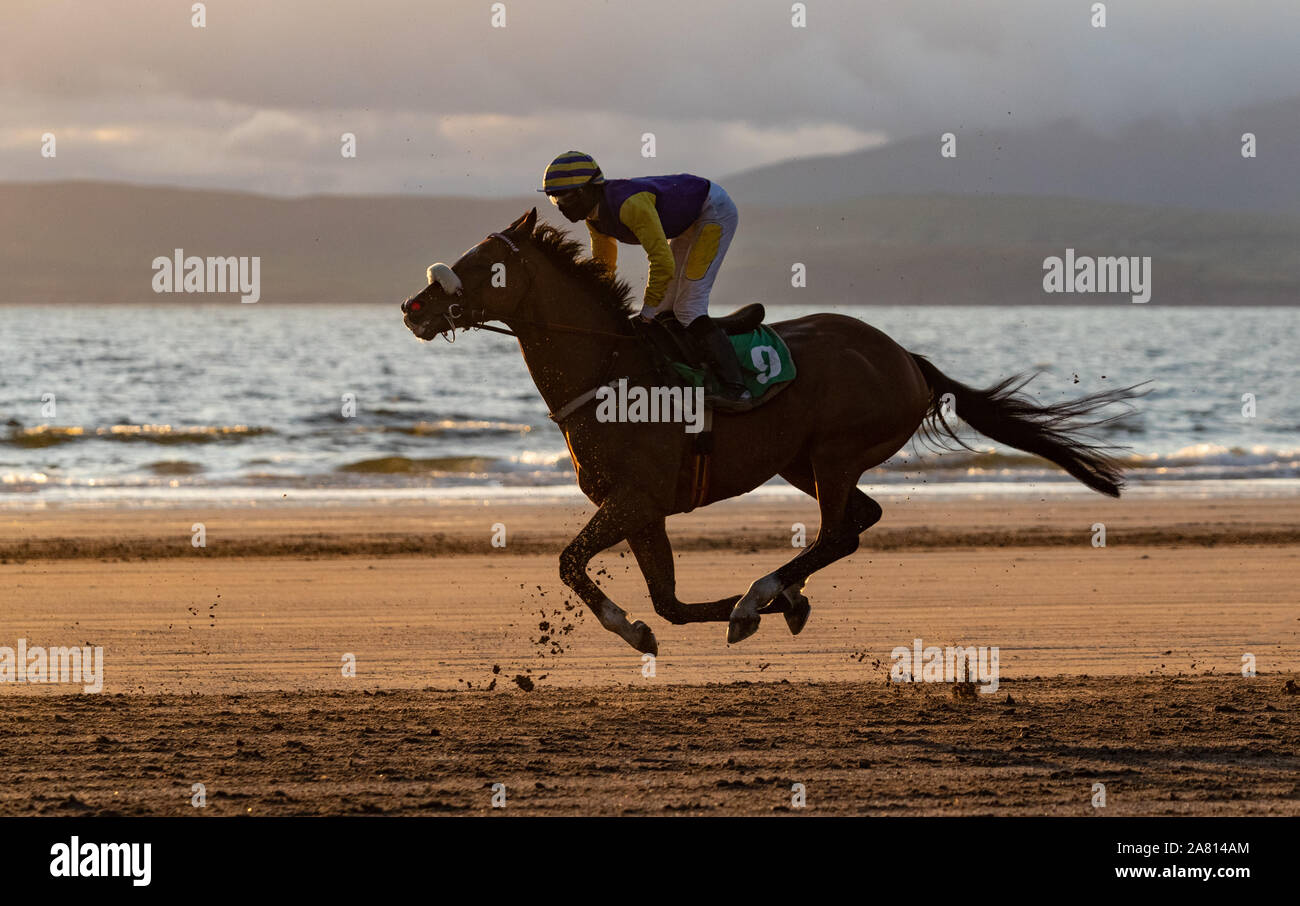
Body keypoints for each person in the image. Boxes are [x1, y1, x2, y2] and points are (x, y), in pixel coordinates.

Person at [538, 151, 751, 409]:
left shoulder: (631, 206)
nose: (559, 205)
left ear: (586, 191)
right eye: (553, 198)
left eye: (563, 196)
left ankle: (737, 389)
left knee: (688, 307)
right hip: (686, 222)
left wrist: (645, 313)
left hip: (712, 211)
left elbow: (662, 263)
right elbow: (604, 268)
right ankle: (691, 373)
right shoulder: (595, 219)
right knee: (664, 310)